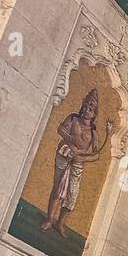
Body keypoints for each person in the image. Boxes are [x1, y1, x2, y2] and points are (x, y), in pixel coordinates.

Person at [41, 90, 111, 238]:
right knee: (58, 188)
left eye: (90, 109)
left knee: (72, 194)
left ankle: (60, 224)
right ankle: (49, 219)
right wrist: (72, 139)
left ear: (94, 114)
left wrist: (83, 159)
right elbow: (60, 129)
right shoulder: (73, 119)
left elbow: (96, 154)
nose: (86, 110)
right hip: (65, 155)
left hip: (78, 163)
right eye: (85, 107)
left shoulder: (93, 132)